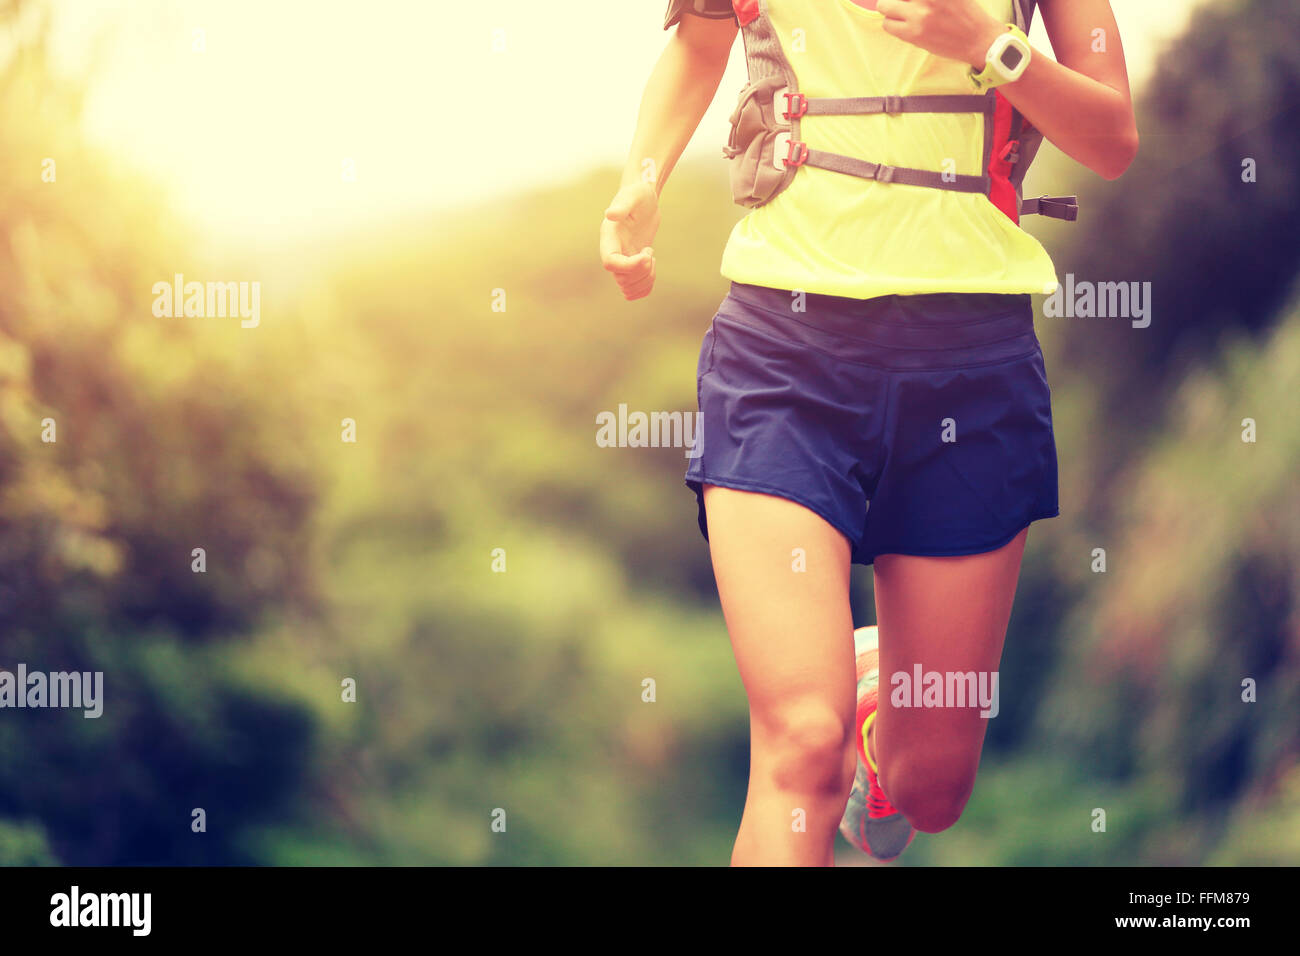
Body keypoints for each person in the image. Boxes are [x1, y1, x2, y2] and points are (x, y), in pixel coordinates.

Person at [599, 0, 1137, 866]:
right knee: (804, 743)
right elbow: (699, 46)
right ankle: (835, 693)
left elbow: (1111, 135)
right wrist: (640, 180)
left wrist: (989, 45)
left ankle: (878, 687)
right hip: (783, 351)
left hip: (973, 365)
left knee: (931, 791)